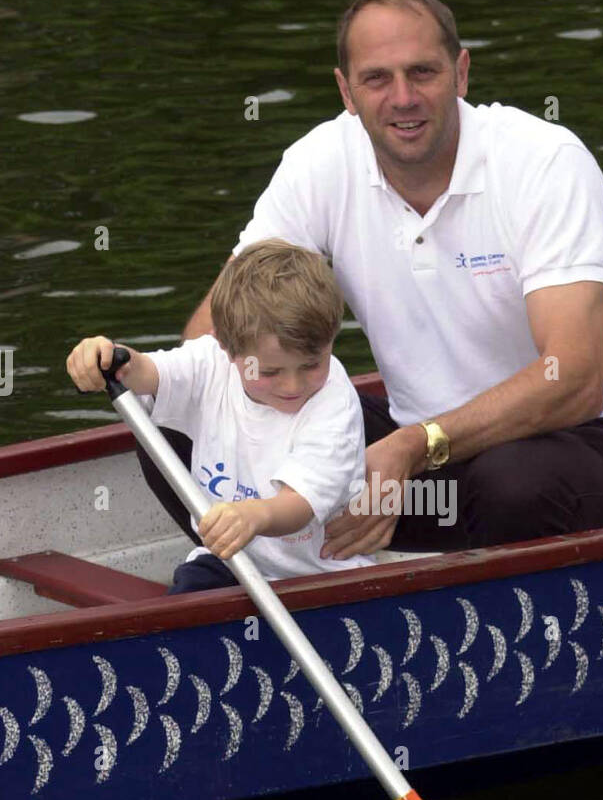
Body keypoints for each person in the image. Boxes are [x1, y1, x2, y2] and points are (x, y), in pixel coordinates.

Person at [145, 0, 603, 557]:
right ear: (346, 91)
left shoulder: (545, 162)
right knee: (167, 417)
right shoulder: (321, 161)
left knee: (512, 485)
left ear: (461, 74)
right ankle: (291, 575)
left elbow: (576, 379)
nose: (403, 97)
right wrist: (287, 434)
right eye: (377, 78)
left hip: (561, 448)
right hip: (408, 465)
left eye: (423, 72)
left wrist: (415, 445)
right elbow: (212, 336)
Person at [66, 239, 374, 592]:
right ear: (226, 347)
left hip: (320, 577)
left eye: (311, 364)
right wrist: (107, 356)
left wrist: (254, 516)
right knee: (189, 592)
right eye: (271, 371)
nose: (293, 385)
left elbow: (300, 506)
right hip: (231, 562)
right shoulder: (210, 361)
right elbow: (147, 372)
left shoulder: (334, 404)